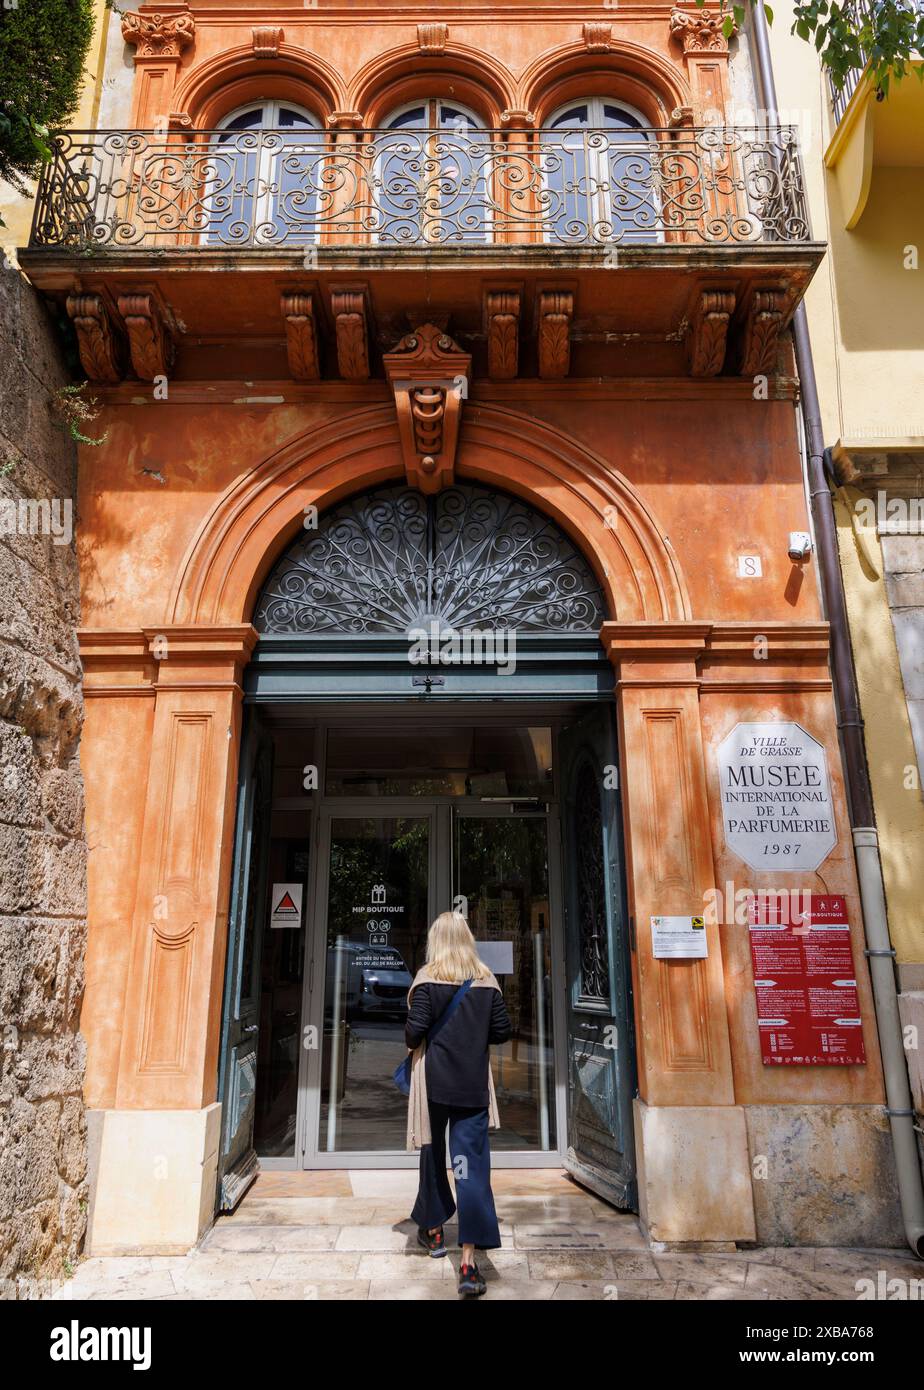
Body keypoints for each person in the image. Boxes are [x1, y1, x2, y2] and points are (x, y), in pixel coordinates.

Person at [404, 910, 512, 1297]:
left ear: (437, 940)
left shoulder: (428, 979)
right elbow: (502, 1031)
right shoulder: (486, 980)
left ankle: (434, 1233)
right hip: (471, 1091)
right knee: (470, 1169)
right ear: (467, 939)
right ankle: (468, 1263)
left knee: (433, 1156)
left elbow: (414, 1032)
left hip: (434, 1089)